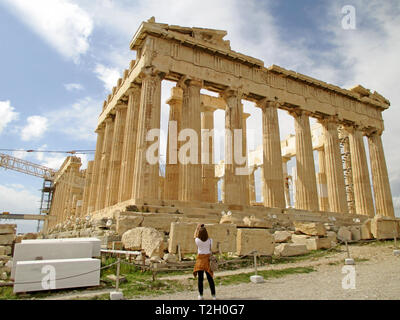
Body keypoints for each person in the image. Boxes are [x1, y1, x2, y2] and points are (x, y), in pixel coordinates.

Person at [193, 224, 216, 300]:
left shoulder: (197, 241)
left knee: (200, 279)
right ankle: (213, 295)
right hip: (207, 260)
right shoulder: (210, 240)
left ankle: (200, 295)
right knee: (210, 279)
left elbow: (195, 235)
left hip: (200, 260)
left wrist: (197, 228)